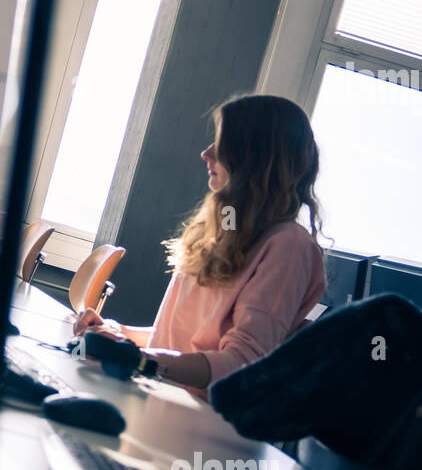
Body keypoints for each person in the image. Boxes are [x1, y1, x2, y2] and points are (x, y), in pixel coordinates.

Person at [75, 94, 326, 391]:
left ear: (255, 157)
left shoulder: (289, 247)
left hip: (200, 421)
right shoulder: (224, 229)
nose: (206, 153)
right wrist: (119, 334)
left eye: (223, 143)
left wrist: (141, 359)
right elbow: (184, 341)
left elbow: (242, 363)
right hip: (162, 398)